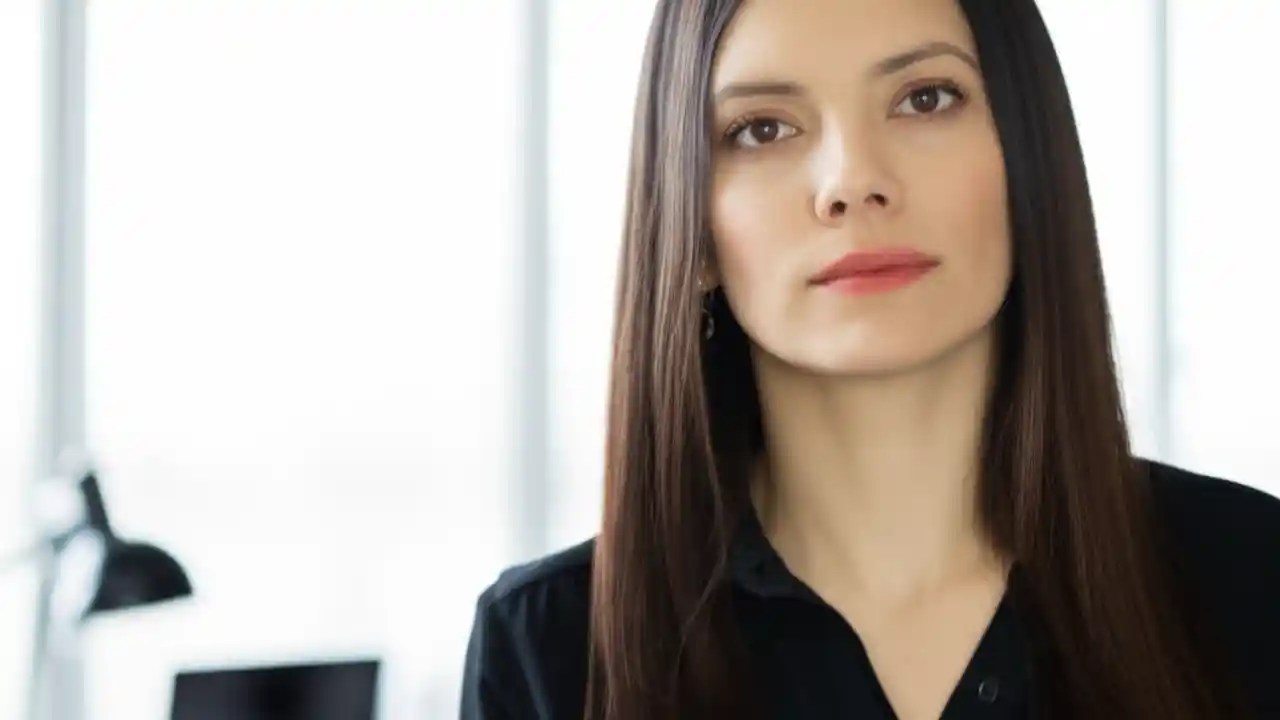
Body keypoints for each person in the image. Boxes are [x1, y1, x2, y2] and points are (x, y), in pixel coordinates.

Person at [461, 0, 1280, 717]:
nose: (851, 181)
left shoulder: (1251, 575)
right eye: (762, 128)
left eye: (925, 99)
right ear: (693, 229)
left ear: (1030, 162)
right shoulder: (550, 648)